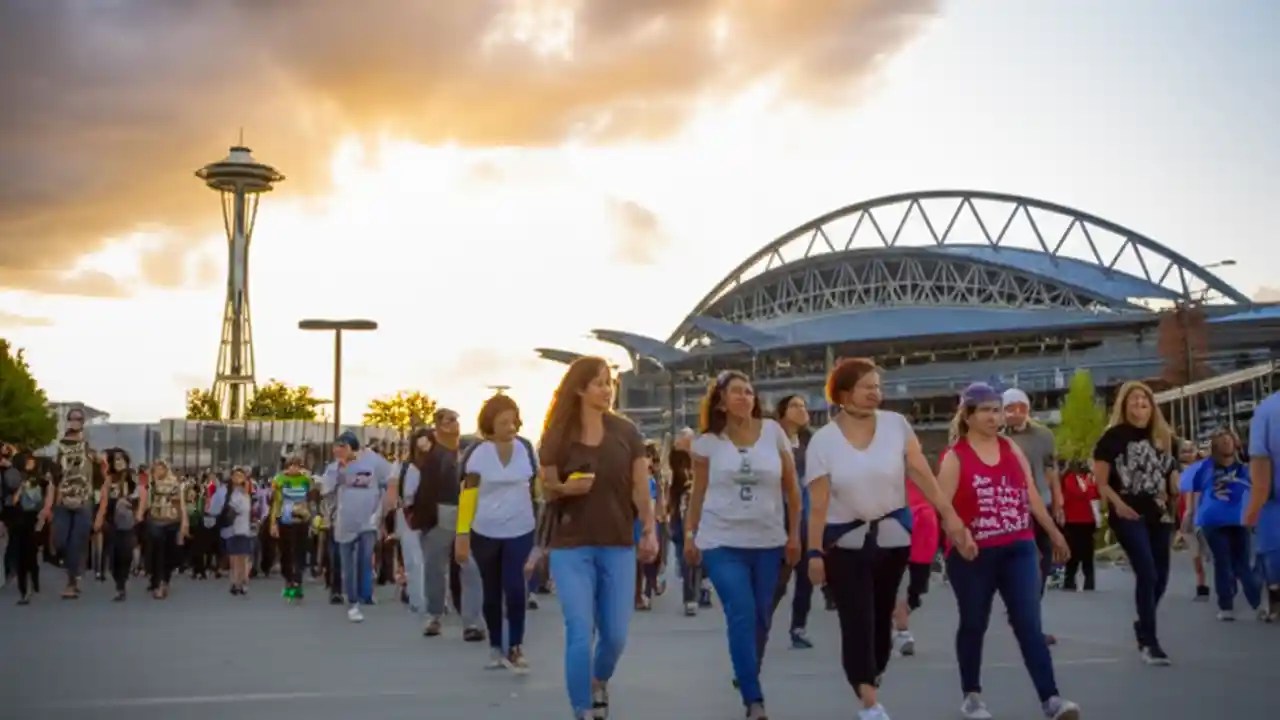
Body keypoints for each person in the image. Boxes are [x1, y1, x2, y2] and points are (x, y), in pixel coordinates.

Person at [804, 358, 975, 720]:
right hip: (843, 544)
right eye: (868, 386)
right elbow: (818, 505)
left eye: (878, 386)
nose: (875, 393)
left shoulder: (897, 426)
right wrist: (814, 552)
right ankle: (869, 700)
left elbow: (923, 474)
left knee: (881, 618)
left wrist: (951, 516)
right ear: (845, 393)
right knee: (857, 619)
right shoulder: (824, 441)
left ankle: (872, 674)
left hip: (892, 539)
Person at [938, 383, 1080, 720]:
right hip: (973, 555)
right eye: (985, 410)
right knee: (974, 622)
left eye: (996, 409)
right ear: (968, 416)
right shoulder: (955, 457)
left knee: (1029, 622)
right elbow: (941, 506)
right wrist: (959, 538)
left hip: (1018, 547)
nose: (994, 416)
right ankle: (972, 695)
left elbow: (1030, 493)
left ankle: (1052, 699)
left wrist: (1053, 532)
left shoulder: (1011, 449)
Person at [538, 356, 659, 720]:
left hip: (618, 542)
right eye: (599, 383)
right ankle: (582, 709)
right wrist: (564, 487)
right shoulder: (557, 435)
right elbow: (546, 489)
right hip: (571, 545)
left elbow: (641, 487)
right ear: (579, 388)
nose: (607, 390)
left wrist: (650, 530)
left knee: (615, 635)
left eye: (610, 383)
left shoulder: (626, 433)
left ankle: (598, 678)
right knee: (579, 630)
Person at [684, 370, 802, 720]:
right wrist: (690, 533)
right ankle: (754, 699)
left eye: (749, 392)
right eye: (736, 392)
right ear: (721, 400)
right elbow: (698, 492)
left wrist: (794, 534)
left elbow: (792, 489)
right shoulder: (706, 443)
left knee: (762, 615)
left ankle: (746, 669)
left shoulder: (773, 433)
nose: (744, 398)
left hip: (768, 541)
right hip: (721, 541)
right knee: (742, 611)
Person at [1092, 380, 1179, 665]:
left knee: (1161, 576)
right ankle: (1150, 642)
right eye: (1134, 401)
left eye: (1145, 401)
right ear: (1124, 405)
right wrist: (1119, 505)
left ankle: (1143, 623)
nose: (1140, 405)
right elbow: (1101, 483)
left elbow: (1171, 474)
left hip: (1159, 511)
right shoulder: (1112, 438)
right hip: (1128, 510)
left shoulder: (1164, 437)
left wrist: (1175, 492)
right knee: (1147, 571)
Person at [455, 393, 539, 672]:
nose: (510, 427)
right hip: (485, 529)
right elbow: (468, 494)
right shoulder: (477, 453)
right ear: (491, 424)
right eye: (504, 422)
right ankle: (495, 646)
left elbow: (538, 489)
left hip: (520, 527)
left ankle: (515, 645)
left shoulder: (526, 449)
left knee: (515, 588)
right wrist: (462, 534)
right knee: (491, 591)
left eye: (513, 421)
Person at [399, 410, 486, 640]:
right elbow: (411, 483)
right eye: (448, 421)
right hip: (437, 514)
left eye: (455, 420)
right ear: (437, 426)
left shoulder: (468, 449)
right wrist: (413, 514)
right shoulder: (428, 452)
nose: (453, 424)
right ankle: (434, 615)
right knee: (435, 569)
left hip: (467, 512)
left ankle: (472, 622)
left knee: (470, 567)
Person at [1001, 389, 1060, 644]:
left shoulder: (1043, 435)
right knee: (1019, 561)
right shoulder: (996, 437)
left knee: (1043, 561)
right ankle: (1021, 613)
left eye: (1021, 407)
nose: (1016, 412)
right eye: (1010, 407)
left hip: (1042, 503)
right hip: (1011, 506)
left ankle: (1029, 615)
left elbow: (1051, 468)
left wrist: (1058, 500)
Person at [1187, 429, 1263, 620]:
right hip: (1213, 522)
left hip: (1239, 521)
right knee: (1223, 563)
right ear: (1215, 446)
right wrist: (1191, 516)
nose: (1226, 444)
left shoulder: (1244, 469)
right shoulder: (1205, 468)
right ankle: (1226, 606)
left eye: (1229, 440)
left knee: (1243, 564)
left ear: (1236, 443)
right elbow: (1195, 493)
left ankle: (1257, 603)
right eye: (1222, 441)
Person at [320, 430, 392, 623]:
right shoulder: (335, 467)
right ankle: (352, 602)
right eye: (336, 447)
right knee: (347, 564)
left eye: (342, 446)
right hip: (344, 521)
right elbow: (325, 489)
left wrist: (385, 507)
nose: (338, 450)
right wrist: (340, 469)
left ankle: (364, 594)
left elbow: (391, 478)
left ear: (353, 446)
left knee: (364, 558)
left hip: (369, 520)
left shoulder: (372, 461)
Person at [38, 408, 103, 599]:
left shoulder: (89, 446)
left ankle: (72, 582)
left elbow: (102, 475)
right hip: (63, 500)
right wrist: (48, 506)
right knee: (60, 541)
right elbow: (53, 479)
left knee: (77, 542)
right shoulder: (59, 449)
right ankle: (73, 570)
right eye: (71, 419)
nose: (74, 422)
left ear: (83, 422)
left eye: (78, 419)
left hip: (83, 500)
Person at [770, 393, 817, 650]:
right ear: (783, 411)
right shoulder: (772, 439)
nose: (801, 410)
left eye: (804, 405)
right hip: (779, 514)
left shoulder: (812, 441)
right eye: (795, 405)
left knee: (806, 574)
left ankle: (798, 626)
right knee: (779, 577)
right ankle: (762, 621)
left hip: (806, 514)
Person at [891, 478, 938, 657]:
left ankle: (894, 617)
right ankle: (902, 632)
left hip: (924, 528)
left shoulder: (918, 464)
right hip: (896, 524)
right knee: (893, 581)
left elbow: (938, 493)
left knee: (916, 589)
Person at [1245, 390, 1280, 621]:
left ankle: (1275, 607)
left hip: (1274, 502)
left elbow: (1261, 471)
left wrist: (1251, 512)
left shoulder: (1267, 410)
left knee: (1271, 552)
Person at [93, 449, 143, 601]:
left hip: (127, 521)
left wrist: (135, 510)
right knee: (113, 556)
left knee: (125, 553)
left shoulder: (132, 476)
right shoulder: (109, 479)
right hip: (111, 521)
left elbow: (139, 496)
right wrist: (99, 519)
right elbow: (104, 501)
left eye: (121, 459)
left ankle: (122, 585)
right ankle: (118, 582)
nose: (119, 462)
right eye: (116, 460)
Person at [269, 456, 315, 601]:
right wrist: (273, 523)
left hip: (302, 521)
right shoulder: (279, 480)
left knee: (300, 552)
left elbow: (312, 499)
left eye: (297, 466)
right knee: (286, 552)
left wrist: (313, 519)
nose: (293, 469)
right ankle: (288, 579)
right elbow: (275, 503)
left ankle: (297, 581)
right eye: (291, 466)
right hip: (285, 520)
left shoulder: (306, 480)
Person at [1058, 461, 1099, 591]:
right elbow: (1077, 494)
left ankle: (1087, 581)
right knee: (1074, 552)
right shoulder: (1068, 479)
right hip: (1073, 520)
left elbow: (1094, 494)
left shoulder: (1085, 479)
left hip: (1085, 520)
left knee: (1086, 552)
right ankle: (1071, 580)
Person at [225, 468, 254, 595]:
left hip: (244, 529)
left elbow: (247, 511)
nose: (238, 478)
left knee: (243, 556)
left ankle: (243, 582)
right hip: (232, 529)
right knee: (234, 557)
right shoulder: (230, 493)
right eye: (236, 476)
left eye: (241, 476)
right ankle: (235, 582)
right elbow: (229, 511)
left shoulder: (245, 494)